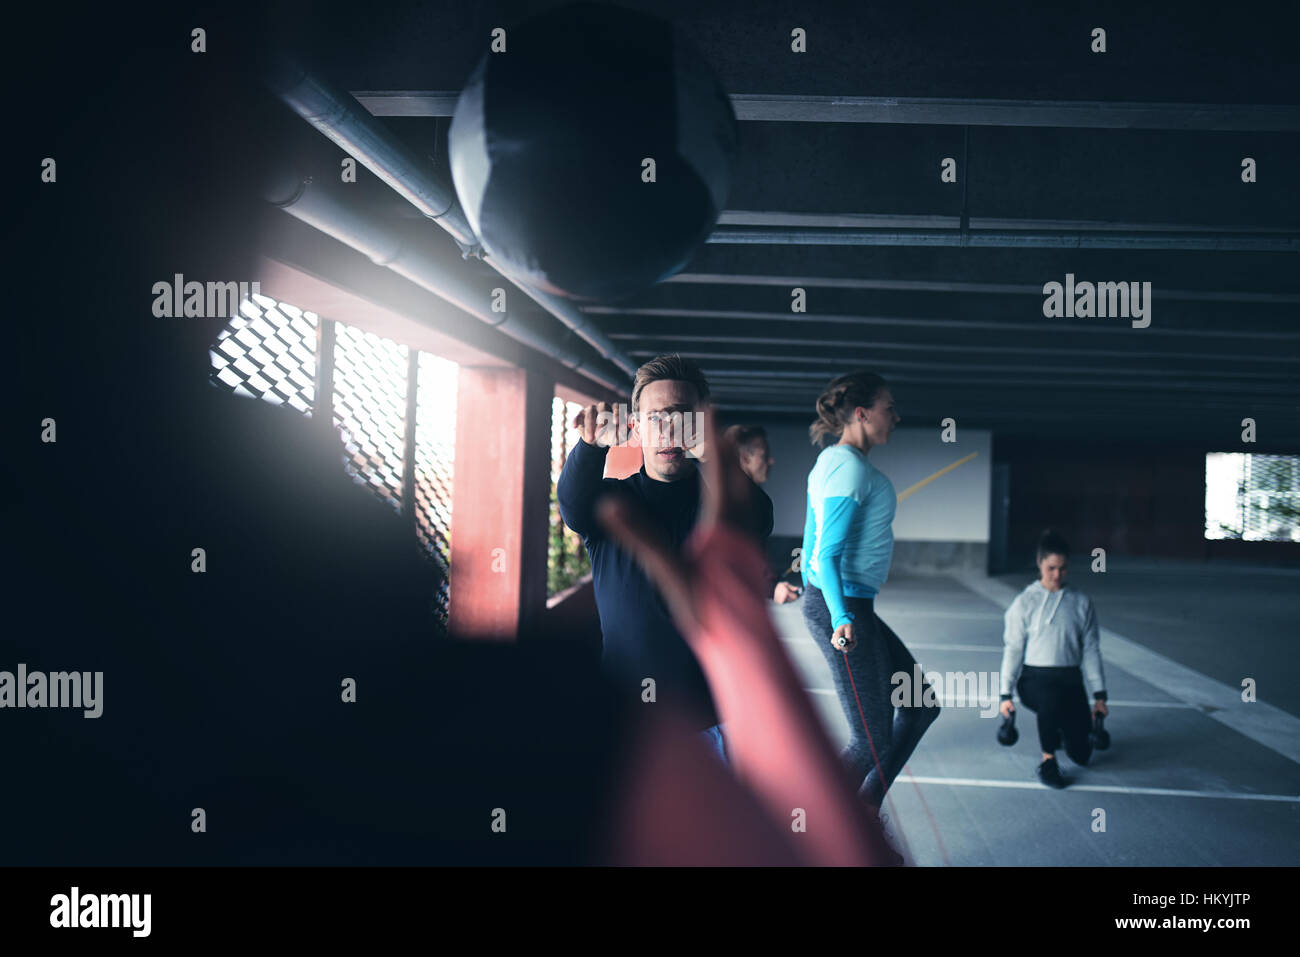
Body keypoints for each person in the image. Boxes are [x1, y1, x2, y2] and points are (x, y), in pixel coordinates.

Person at [557, 354, 774, 763]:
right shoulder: (611, 500)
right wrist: (589, 445)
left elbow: (757, 518)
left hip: (713, 722)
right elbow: (572, 504)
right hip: (624, 721)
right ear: (636, 427)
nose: (669, 429)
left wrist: (712, 453)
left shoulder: (720, 506)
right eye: (656, 417)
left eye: (682, 417)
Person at [799, 371, 941, 809]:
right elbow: (825, 555)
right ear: (861, 414)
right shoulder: (847, 469)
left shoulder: (836, 462)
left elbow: (809, 545)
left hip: (848, 603)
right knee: (870, 740)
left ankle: (862, 816)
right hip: (843, 608)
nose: (896, 416)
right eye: (888, 408)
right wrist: (841, 617)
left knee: (919, 705)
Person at [998, 530, 1109, 789]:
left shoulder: (1081, 603)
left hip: (1070, 679)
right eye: (1051, 568)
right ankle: (1048, 761)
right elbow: (1013, 649)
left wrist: (1100, 695)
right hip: (1035, 680)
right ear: (1039, 563)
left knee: (1081, 756)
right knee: (1050, 699)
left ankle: (1061, 730)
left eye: (1063, 568)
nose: (1057, 575)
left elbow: (1092, 650)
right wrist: (1005, 695)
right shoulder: (1024, 603)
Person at [724, 424, 802, 605]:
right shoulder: (750, 502)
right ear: (744, 458)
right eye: (764, 455)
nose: (771, 461)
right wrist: (772, 587)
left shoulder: (728, 498)